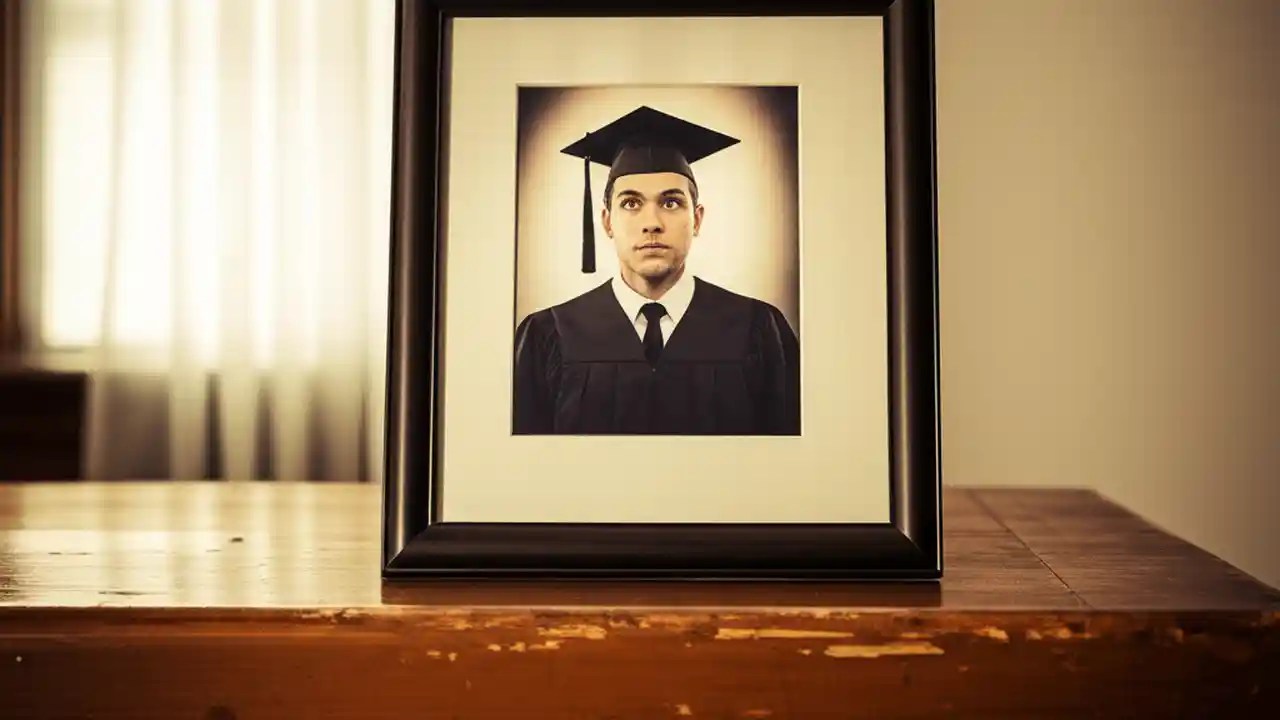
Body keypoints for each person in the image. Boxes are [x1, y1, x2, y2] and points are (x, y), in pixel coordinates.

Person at [513, 106, 799, 435]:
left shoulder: (759, 329)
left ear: (697, 219)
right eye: (631, 203)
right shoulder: (547, 334)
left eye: (671, 202)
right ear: (607, 221)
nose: (652, 223)